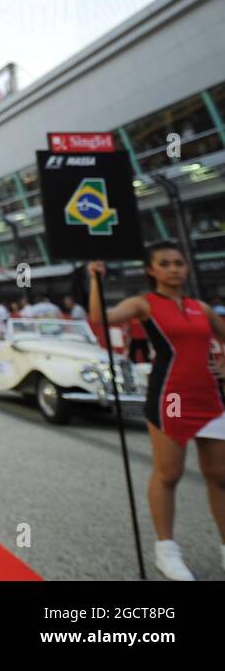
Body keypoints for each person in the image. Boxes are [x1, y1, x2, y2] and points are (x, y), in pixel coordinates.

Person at [88, 242, 225, 581]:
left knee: (221, 477)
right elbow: (99, 319)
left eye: (179, 263)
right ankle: (167, 550)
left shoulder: (201, 308)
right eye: (165, 264)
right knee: (169, 474)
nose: (174, 269)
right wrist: (94, 278)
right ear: (151, 271)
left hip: (210, 398)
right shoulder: (143, 304)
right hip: (172, 397)